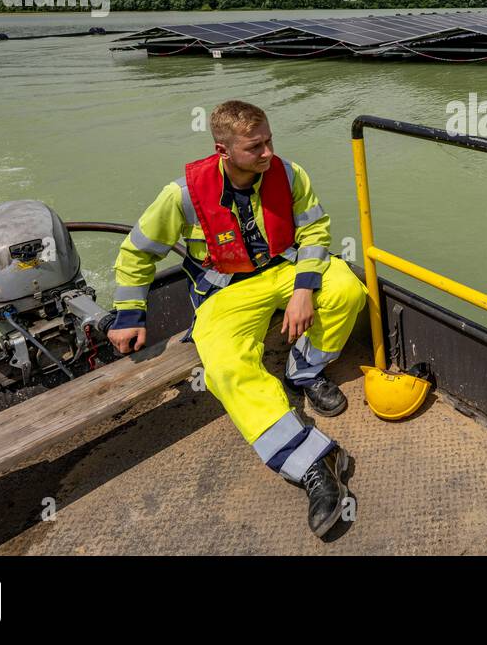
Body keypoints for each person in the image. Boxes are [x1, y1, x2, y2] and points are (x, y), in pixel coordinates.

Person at [107, 99, 368, 538]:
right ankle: (313, 463)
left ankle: (304, 371)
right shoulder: (182, 195)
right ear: (223, 149)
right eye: (255, 147)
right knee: (226, 368)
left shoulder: (289, 173)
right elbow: (138, 250)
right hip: (226, 291)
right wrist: (129, 313)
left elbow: (315, 232)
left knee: (347, 289)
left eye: (269, 140)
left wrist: (304, 288)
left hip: (286, 270)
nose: (268, 152)